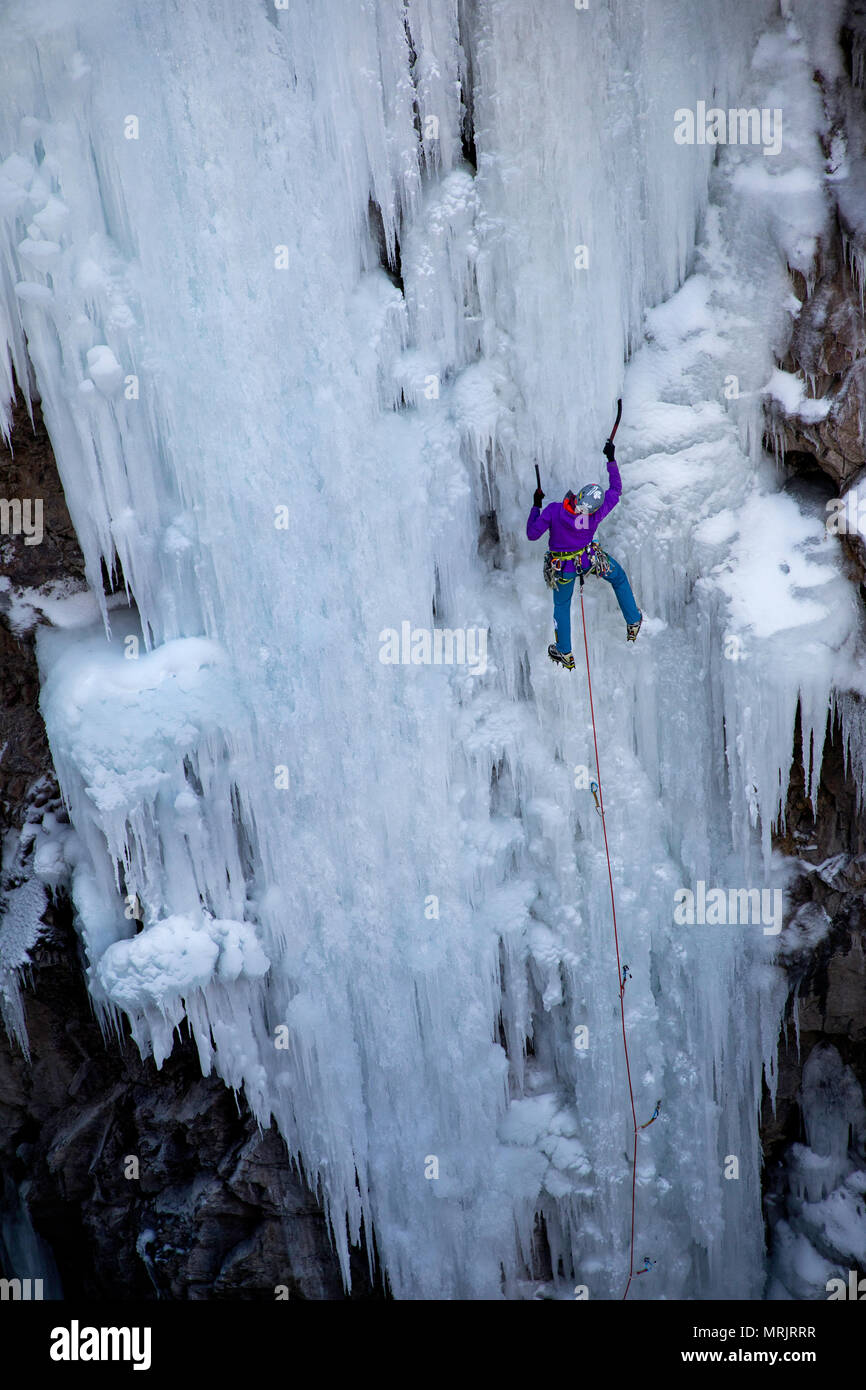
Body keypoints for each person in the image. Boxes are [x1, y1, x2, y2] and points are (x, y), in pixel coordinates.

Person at [526, 439, 641, 670]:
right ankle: (633, 620)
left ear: (578, 496)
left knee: (561, 605)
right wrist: (611, 460)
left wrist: (535, 506)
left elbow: (532, 534)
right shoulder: (595, 516)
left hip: (563, 569)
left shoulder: (554, 510)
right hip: (590, 559)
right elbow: (616, 490)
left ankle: (564, 651)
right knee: (618, 578)